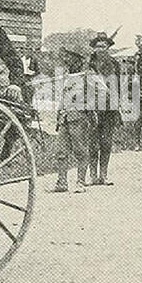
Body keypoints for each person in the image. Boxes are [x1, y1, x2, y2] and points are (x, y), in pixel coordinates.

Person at [47, 46, 99, 193]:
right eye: (66, 57)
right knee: (61, 152)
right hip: (64, 118)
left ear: (79, 58)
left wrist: (85, 107)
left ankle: (80, 182)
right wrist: (59, 116)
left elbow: (100, 94)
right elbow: (63, 96)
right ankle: (62, 183)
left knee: (80, 150)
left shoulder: (88, 74)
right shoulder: (66, 75)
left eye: (71, 57)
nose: (67, 60)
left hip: (79, 118)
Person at [86, 31, 121, 185]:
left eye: (104, 46)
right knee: (92, 143)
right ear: (94, 48)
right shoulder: (87, 64)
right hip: (91, 108)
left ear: (108, 48)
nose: (101, 49)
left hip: (109, 109)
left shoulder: (114, 65)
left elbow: (119, 86)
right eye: (98, 46)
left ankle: (104, 175)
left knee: (106, 142)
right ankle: (93, 175)